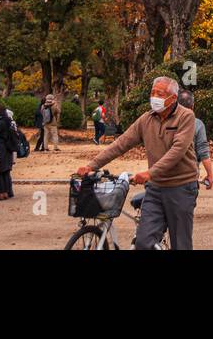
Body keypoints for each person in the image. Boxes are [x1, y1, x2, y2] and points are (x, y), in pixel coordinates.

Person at [78, 76, 199, 249]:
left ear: (173, 98)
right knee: (143, 242)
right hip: (155, 188)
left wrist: (150, 173)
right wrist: (92, 165)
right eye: (153, 92)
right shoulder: (146, 119)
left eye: (160, 93)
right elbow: (121, 144)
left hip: (181, 187)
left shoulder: (186, 116)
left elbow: (177, 151)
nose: (154, 97)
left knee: (181, 243)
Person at [177, 91, 213, 189]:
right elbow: (203, 152)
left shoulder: (167, 122)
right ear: (192, 106)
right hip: (189, 176)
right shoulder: (197, 124)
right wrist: (210, 175)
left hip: (167, 176)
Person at [0, 105, 19, 200]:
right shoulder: (9, 121)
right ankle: (8, 191)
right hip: (8, 148)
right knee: (6, 171)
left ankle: (0, 193)